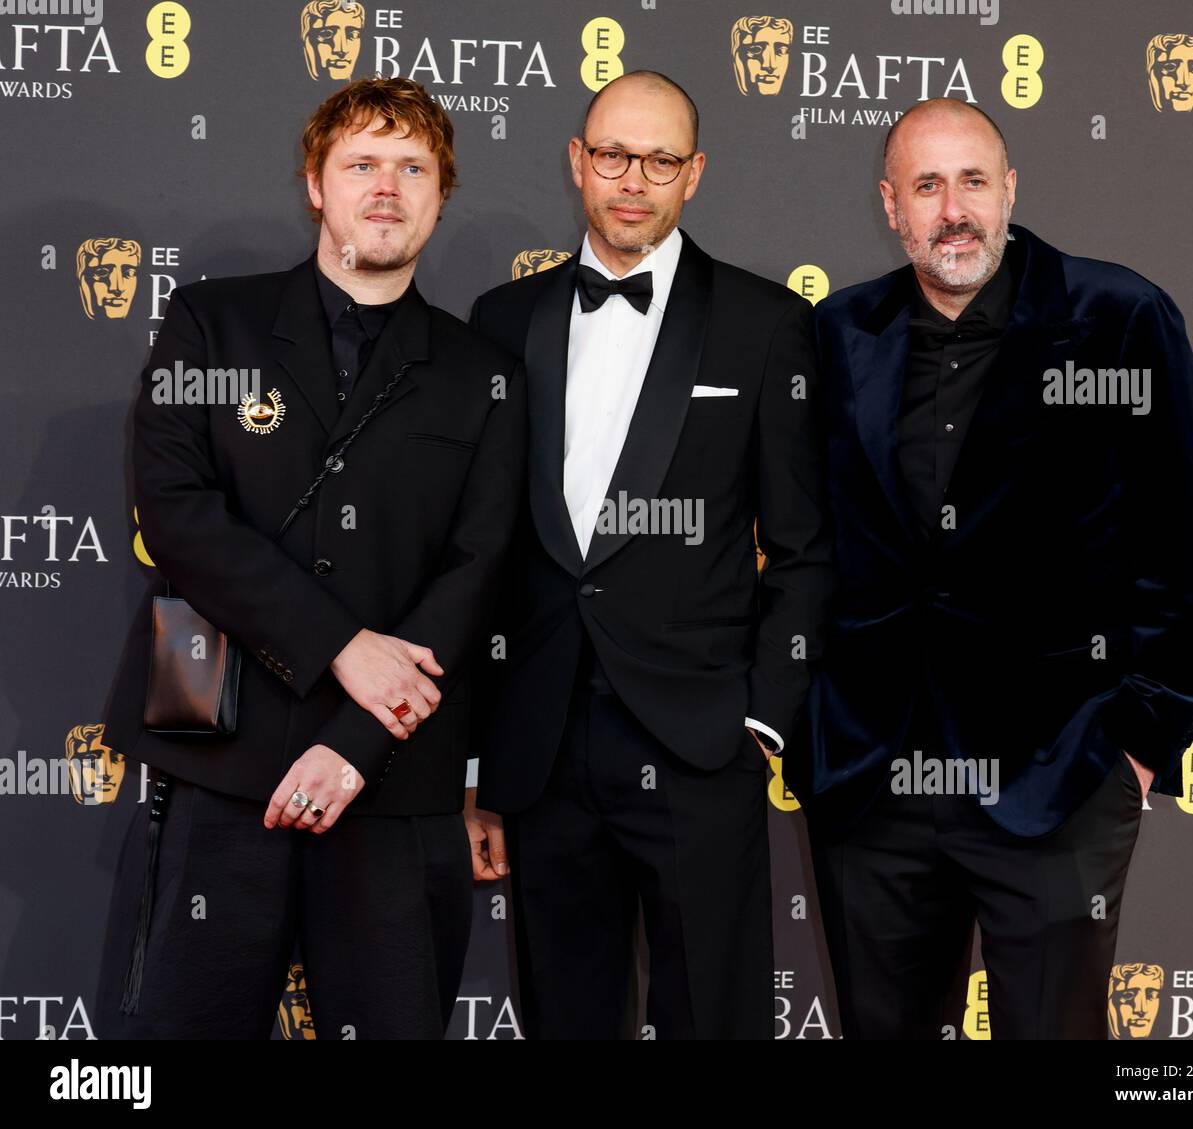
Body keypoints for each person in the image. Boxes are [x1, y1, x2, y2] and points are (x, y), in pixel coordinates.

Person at [786, 98, 1193, 1039]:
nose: (956, 208)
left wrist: (1139, 742)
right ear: (892, 206)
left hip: (1060, 772)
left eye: (975, 181)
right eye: (928, 185)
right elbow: (804, 542)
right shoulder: (838, 333)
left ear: (1011, 188)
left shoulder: (1116, 317)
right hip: (877, 782)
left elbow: (1188, 542)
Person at [95, 77, 526, 1039]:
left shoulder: (484, 374)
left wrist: (356, 744)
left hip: (391, 784)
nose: (387, 187)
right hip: (219, 766)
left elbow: (478, 567)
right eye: (362, 163)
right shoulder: (213, 323)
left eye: (413, 167)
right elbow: (173, 514)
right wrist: (342, 645)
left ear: (440, 194)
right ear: (315, 184)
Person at [466, 70, 833, 1039]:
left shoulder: (763, 325)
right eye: (614, 155)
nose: (634, 179)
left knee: (715, 1014)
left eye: (660, 159)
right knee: (563, 1013)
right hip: (541, 745)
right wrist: (483, 757)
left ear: (694, 173)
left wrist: (761, 723)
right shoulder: (503, 321)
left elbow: (803, 548)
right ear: (577, 163)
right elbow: (481, 553)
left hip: (698, 740)